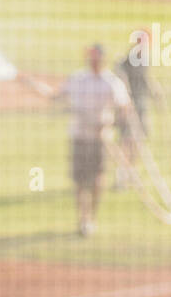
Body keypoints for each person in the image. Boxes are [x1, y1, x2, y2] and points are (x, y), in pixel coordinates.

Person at [55, 43, 130, 237]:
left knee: (97, 180)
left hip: (100, 139)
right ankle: (83, 219)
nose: (93, 61)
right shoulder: (78, 78)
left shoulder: (111, 82)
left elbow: (124, 107)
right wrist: (29, 83)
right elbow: (55, 96)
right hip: (79, 136)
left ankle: (92, 218)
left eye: (96, 57)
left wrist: (110, 125)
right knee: (80, 181)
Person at [113, 28, 164, 188]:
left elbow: (145, 78)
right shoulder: (129, 60)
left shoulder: (145, 59)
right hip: (128, 107)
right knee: (126, 140)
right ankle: (121, 175)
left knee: (138, 140)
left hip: (141, 106)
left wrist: (156, 93)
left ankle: (131, 172)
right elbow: (120, 75)